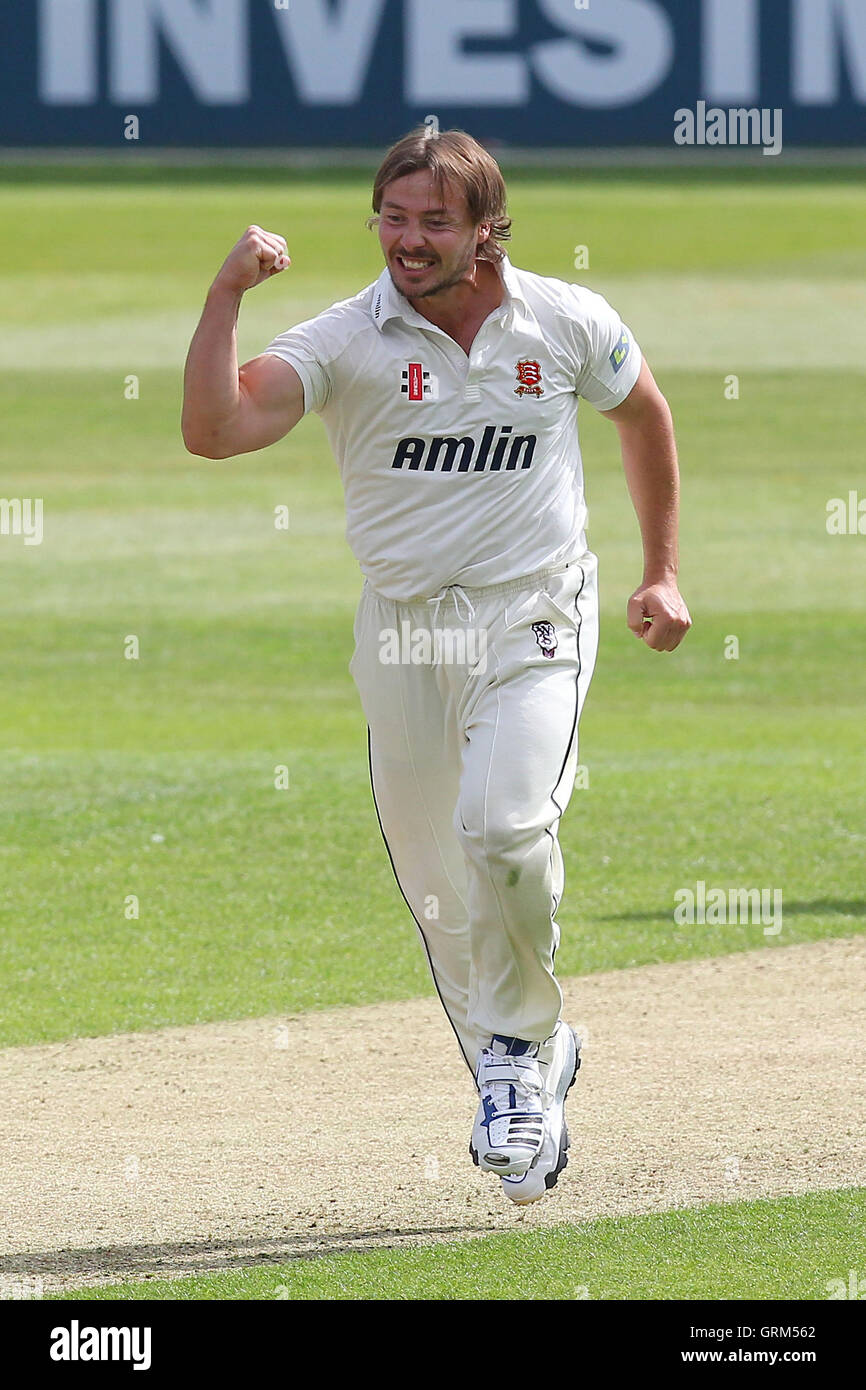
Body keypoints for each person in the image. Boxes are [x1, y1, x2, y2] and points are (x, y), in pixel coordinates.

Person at [182, 126, 691, 1206]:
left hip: (534, 612)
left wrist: (660, 571)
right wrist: (225, 291)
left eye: (434, 222)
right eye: (393, 218)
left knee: (503, 826)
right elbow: (215, 428)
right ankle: (520, 1069)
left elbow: (641, 410)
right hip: (405, 631)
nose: (408, 242)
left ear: (485, 229)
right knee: (440, 890)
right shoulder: (346, 340)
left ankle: (517, 1046)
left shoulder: (561, 319)